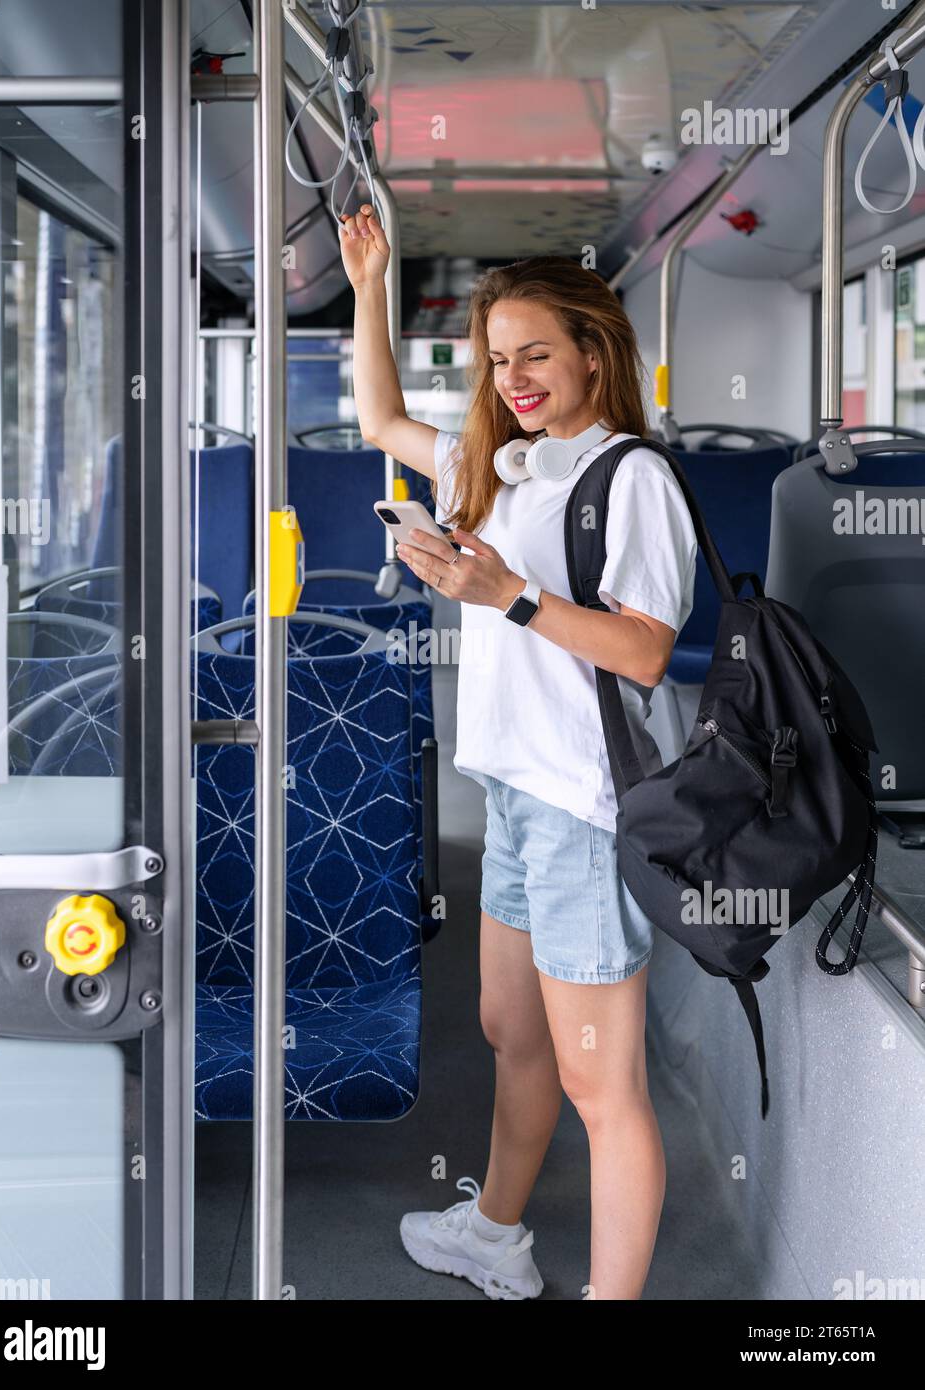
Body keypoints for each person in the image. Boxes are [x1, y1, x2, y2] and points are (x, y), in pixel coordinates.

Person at [339, 203, 697, 1300]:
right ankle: (495, 1231)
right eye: (497, 361)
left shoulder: (631, 477)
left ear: (593, 351)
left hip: (584, 807)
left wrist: (511, 595)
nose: (512, 379)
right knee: (509, 1028)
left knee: (603, 1083)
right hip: (509, 792)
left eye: (534, 354)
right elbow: (380, 418)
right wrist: (367, 286)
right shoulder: (496, 468)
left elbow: (641, 651)